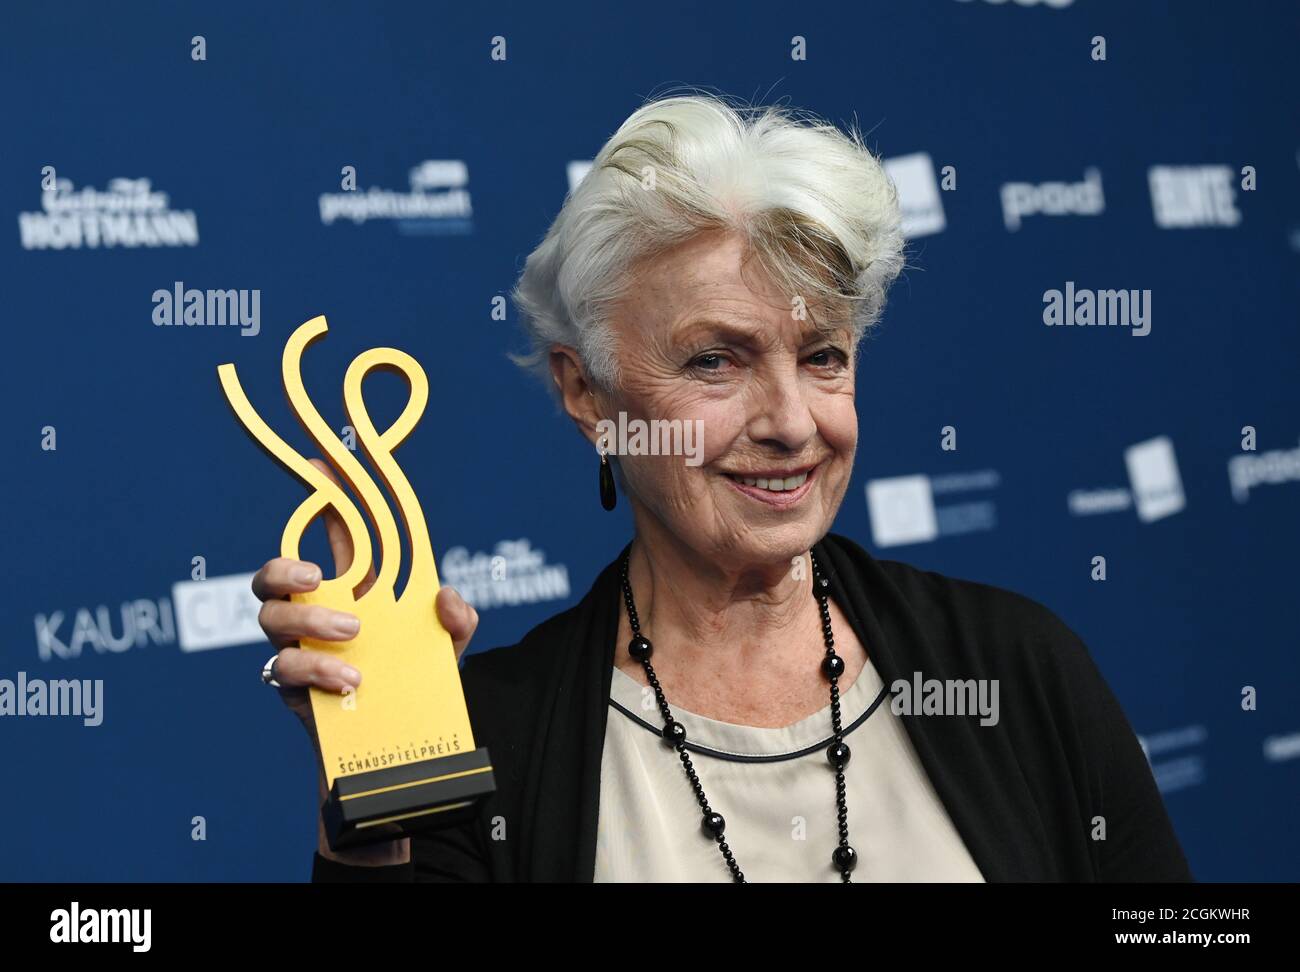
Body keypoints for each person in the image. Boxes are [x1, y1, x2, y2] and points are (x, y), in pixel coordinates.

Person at [252, 91, 1192, 882]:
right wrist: (374, 785)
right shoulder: (490, 736)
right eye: (716, 361)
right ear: (588, 393)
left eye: (824, 355)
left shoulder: (1013, 671)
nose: (790, 421)